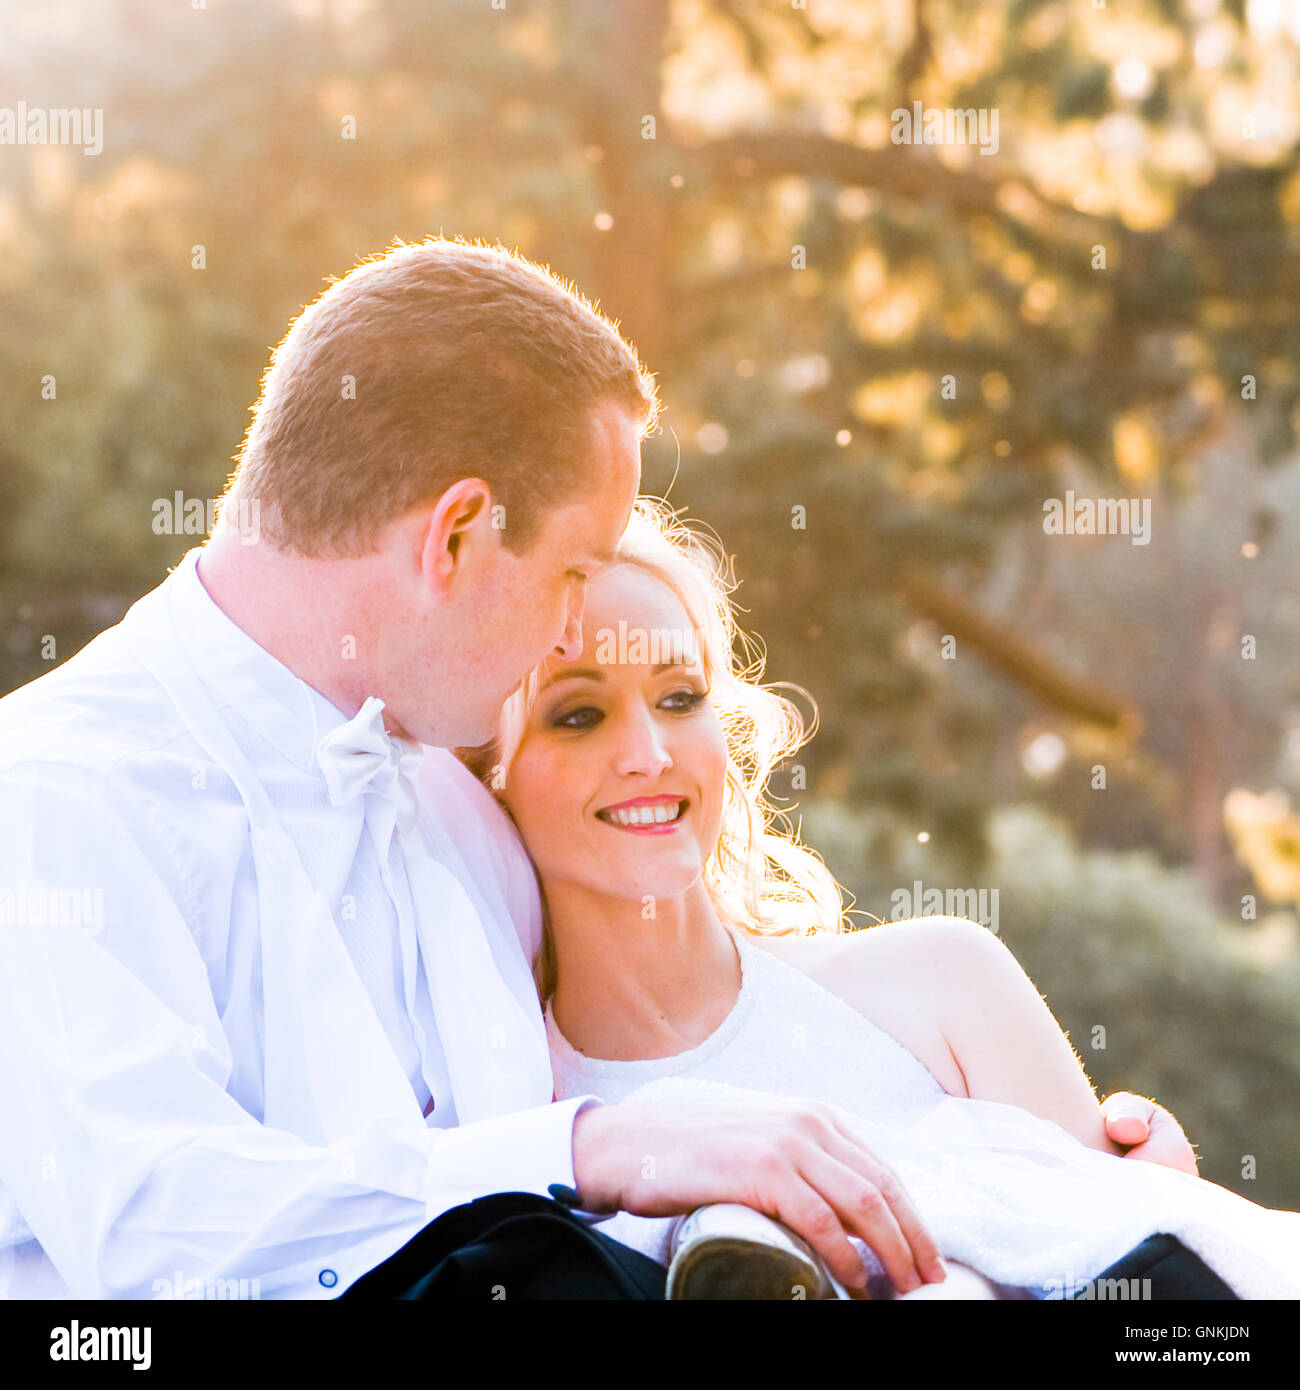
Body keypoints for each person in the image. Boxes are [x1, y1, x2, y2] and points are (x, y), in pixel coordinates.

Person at [1, 233, 952, 1301]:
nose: (566, 636)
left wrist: (1059, 1169)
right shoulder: (51, 799)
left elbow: (675, 1030)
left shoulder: (470, 820)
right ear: (452, 537)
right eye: (572, 572)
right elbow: (155, 1237)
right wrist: (584, 1152)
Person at [460, 498, 1300, 1300]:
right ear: (486, 783)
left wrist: (1161, 1206)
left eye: (679, 697)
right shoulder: (519, 1121)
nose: (647, 753)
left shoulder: (943, 984)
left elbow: (1132, 1277)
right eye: (578, 715)